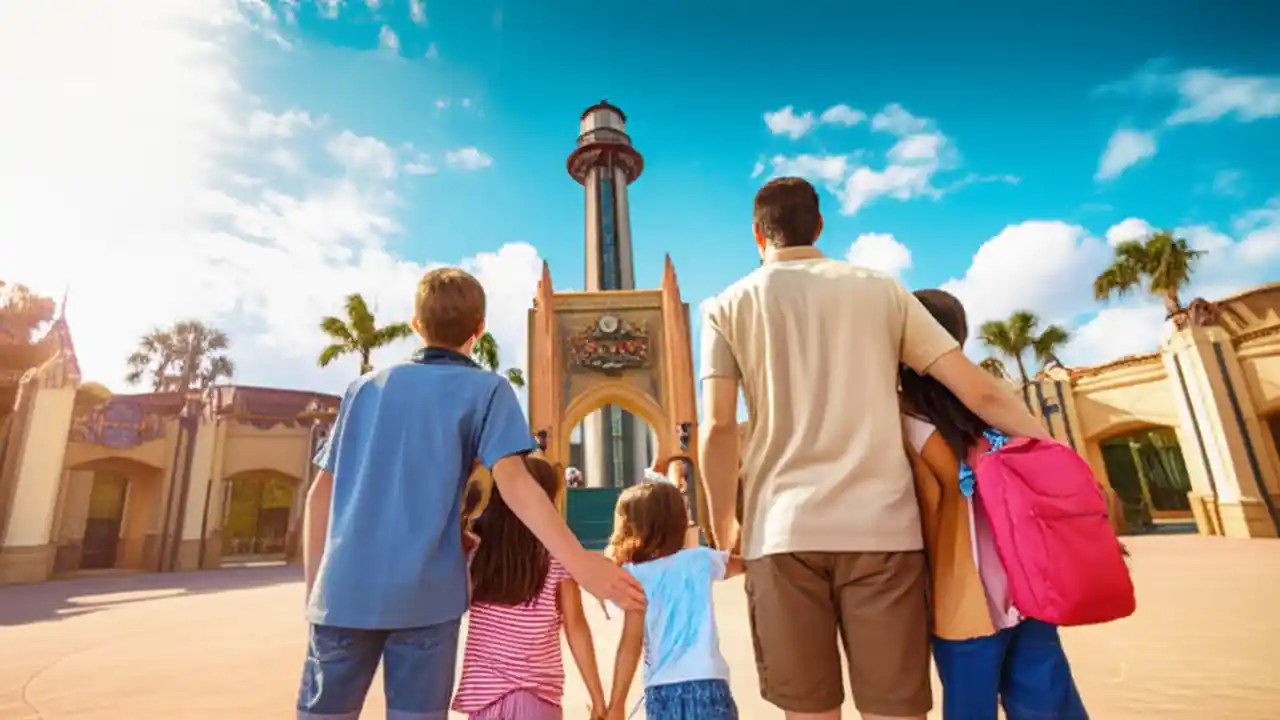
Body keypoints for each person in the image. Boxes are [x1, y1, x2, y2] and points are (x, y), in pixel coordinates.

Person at [697, 177, 1049, 720]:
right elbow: (975, 388)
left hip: (782, 533)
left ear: (757, 235)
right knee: (894, 710)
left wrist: (725, 522)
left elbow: (719, 426)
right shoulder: (881, 288)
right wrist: (1054, 450)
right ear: (818, 226)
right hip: (883, 531)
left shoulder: (728, 305)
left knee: (809, 711)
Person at [296, 267, 644, 720]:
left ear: (416, 325)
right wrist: (580, 561)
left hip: (342, 595)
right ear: (479, 330)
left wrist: (315, 593)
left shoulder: (363, 389)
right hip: (426, 599)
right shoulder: (487, 389)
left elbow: (319, 495)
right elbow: (515, 481)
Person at [899, 289, 1088, 720]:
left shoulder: (903, 419)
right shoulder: (992, 404)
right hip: (1027, 591)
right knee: (1050, 707)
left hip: (960, 605)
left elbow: (923, 511)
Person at [453, 456, 608, 720]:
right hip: (537, 698)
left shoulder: (478, 554)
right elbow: (575, 626)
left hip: (485, 700)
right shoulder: (558, 557)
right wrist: (597, 697)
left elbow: (456, 604)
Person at [605, 481, 741, 720]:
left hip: (663, 689)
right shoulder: (701, 560)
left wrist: (616, 704)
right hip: (710, 681)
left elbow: (631, 643)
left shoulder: (634, 577)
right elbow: (746, 563)